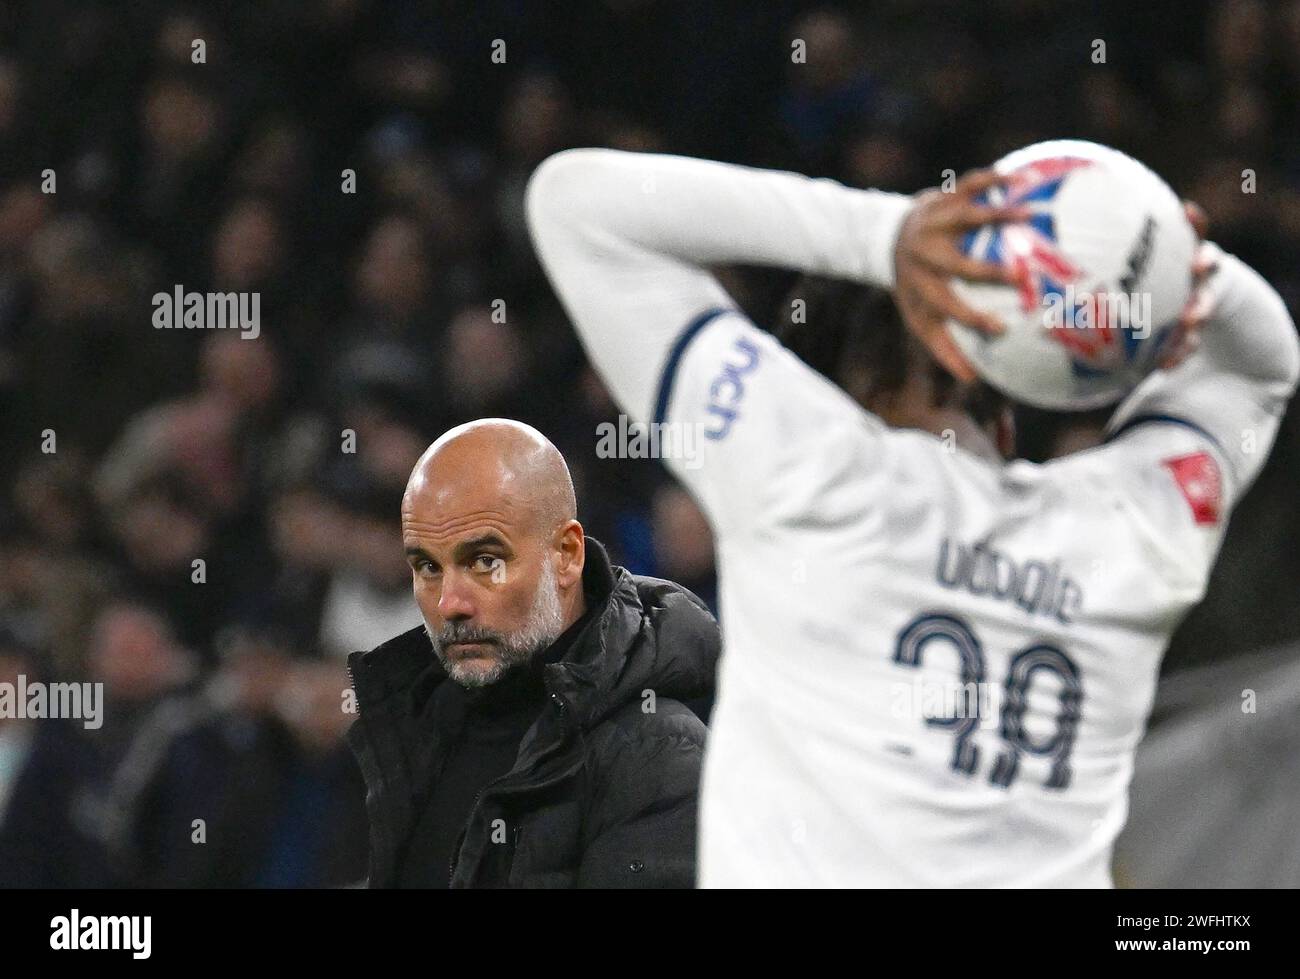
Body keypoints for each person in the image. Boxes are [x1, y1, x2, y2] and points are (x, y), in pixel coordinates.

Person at [525, 148, 1299, 886]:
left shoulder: (810, 472)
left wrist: (887, 235)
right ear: (1004, 421)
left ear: (829, 400)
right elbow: (1262, 365)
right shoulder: (1129, 533)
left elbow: (576, 201)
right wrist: (1166, 266)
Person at [345, 419, 719, 887]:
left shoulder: (660, 756)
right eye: (427, 567)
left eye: (485, 561)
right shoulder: (420, 727)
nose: (449, 604)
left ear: (566, 555)